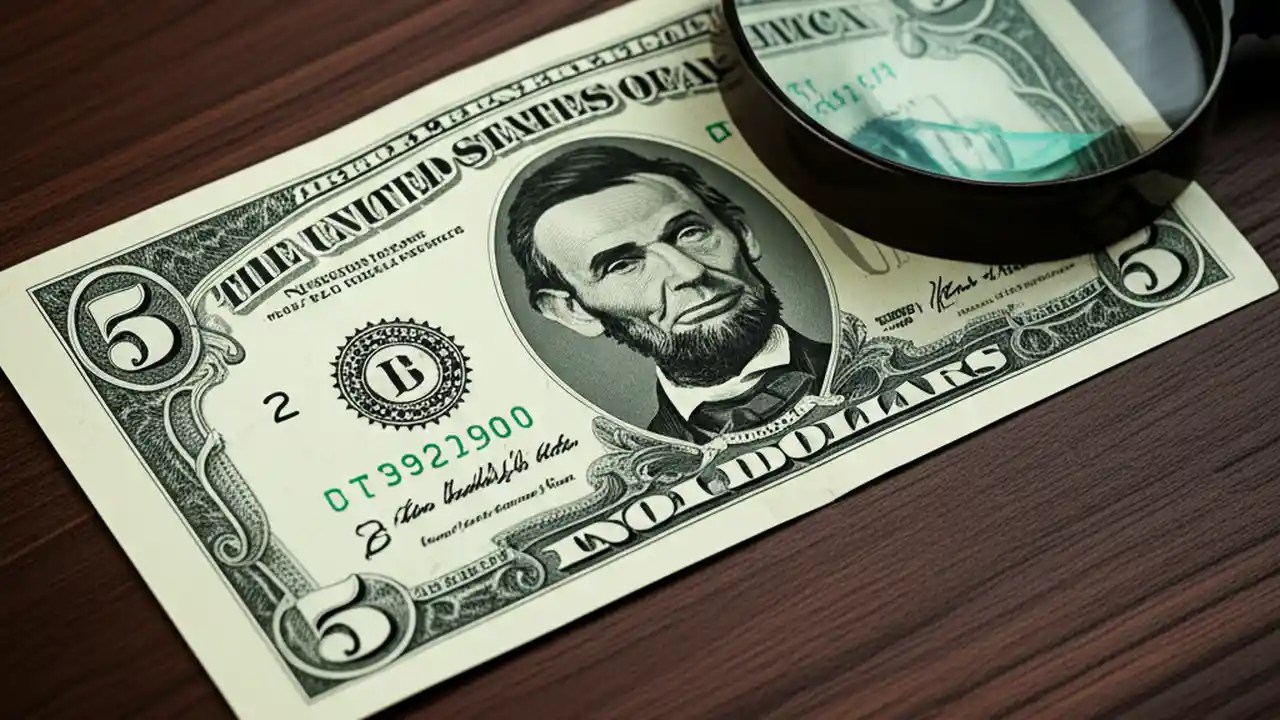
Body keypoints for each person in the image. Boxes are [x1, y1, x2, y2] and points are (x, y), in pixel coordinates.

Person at [504, 144, 831, 444]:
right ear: (574, 312)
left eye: (690, 232)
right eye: (622, 265)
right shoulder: (653, 463)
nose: (690, 272)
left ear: (742, 233)